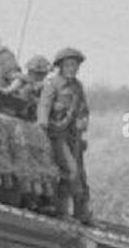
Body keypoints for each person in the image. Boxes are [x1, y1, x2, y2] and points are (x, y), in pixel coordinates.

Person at [37, 47, 91, 221]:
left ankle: (78, 213)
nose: (72, 68)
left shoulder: (78, 87)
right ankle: (61, 211)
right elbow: (44, 105)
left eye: (75, 65)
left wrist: (83, 120)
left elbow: (83, 109)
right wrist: (43, 121)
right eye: (68, 65)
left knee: (78, 175)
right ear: (61, 66)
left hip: (72, 136)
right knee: (71, 171)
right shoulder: (53, 84)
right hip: (55, 134)